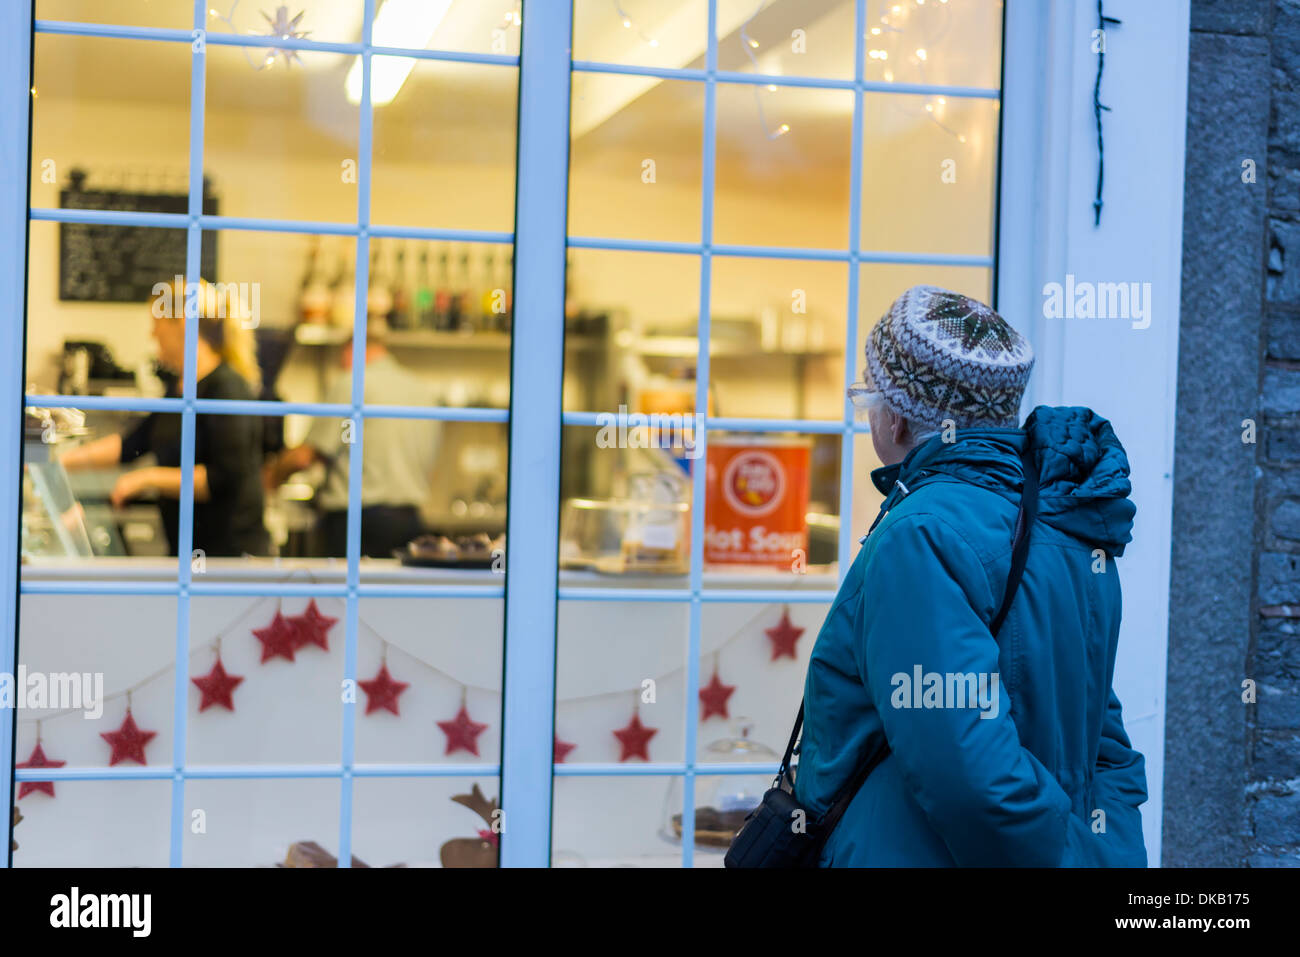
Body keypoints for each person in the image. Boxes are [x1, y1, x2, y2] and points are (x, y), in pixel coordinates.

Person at [794, 284, 1148, 866]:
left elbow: (974, 778)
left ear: (903, 421)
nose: (869, 418)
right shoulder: (1071, 522)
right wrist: (1105, 854)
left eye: (870, 398)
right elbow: (1103, 738)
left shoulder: (922, 535)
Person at [59, 278, 270, 558]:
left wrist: (147, 478)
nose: (152, 334)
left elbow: (222, 478)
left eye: (156, 323)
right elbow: (130, 444)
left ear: (182, 323)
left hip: (228, 556)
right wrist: (58, 462)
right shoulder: (180, 390)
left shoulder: (227, 388)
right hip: (190, 553)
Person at [264, 318, 440, 557]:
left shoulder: (353, 382)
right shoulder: (422, 391)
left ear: (350, 350)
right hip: (410, 522)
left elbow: (305, 457)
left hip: (358, 524)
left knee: (345, 594)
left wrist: (269, 479)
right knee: (393, 593)